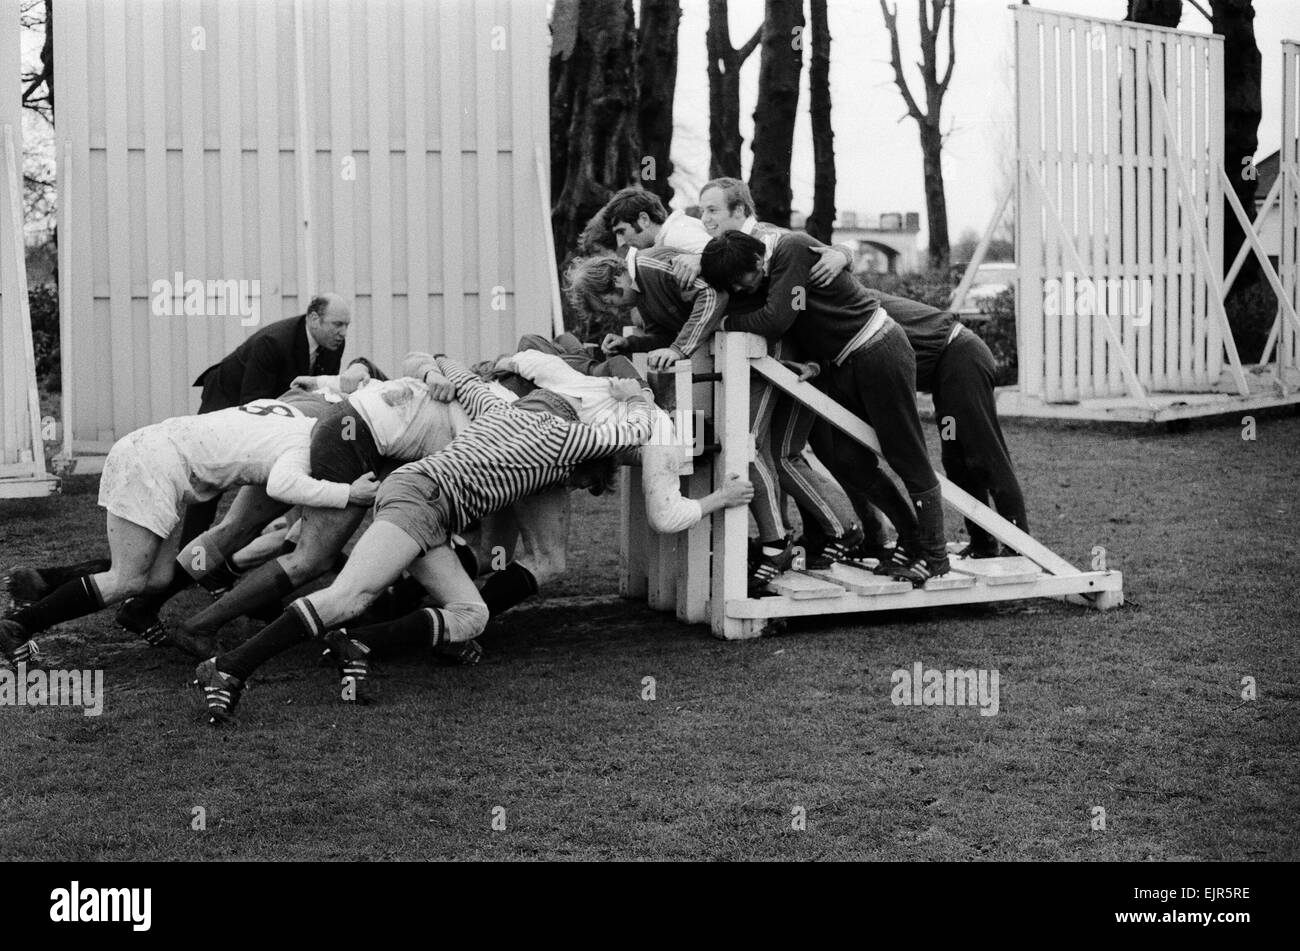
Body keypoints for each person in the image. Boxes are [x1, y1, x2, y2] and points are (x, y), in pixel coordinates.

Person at [191, 355, 657, 724]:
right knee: (348, 595)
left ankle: (358, 643)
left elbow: (457, 370)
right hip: (424, 501)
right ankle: (230, 667)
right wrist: (639, 394)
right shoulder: (567, 439)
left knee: (471, 615)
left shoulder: (497, 407)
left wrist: (440, 369)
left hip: (425, 500)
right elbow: (635, 430)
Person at [0, 398, 377, 665]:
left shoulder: (301, 417)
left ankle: (85, 600)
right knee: (127, 579)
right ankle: (20, 625)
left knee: (158, 578)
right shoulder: (308, 443)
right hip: (153, 461)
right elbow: (282, 486)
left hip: (163, 459)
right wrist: (349, 493)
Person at [700, 229, 951, 585]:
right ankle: (910, 538)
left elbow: (775, 321)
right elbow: (805, 316)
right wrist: (815, 363)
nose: (743, 291)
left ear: (758, 260)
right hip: (843, 362)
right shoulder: (770, 268)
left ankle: (935, 555)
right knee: (849, 460)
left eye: (743, 282)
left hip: (878, 349)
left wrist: (725, 325)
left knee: (906, 455)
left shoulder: (790, 249)